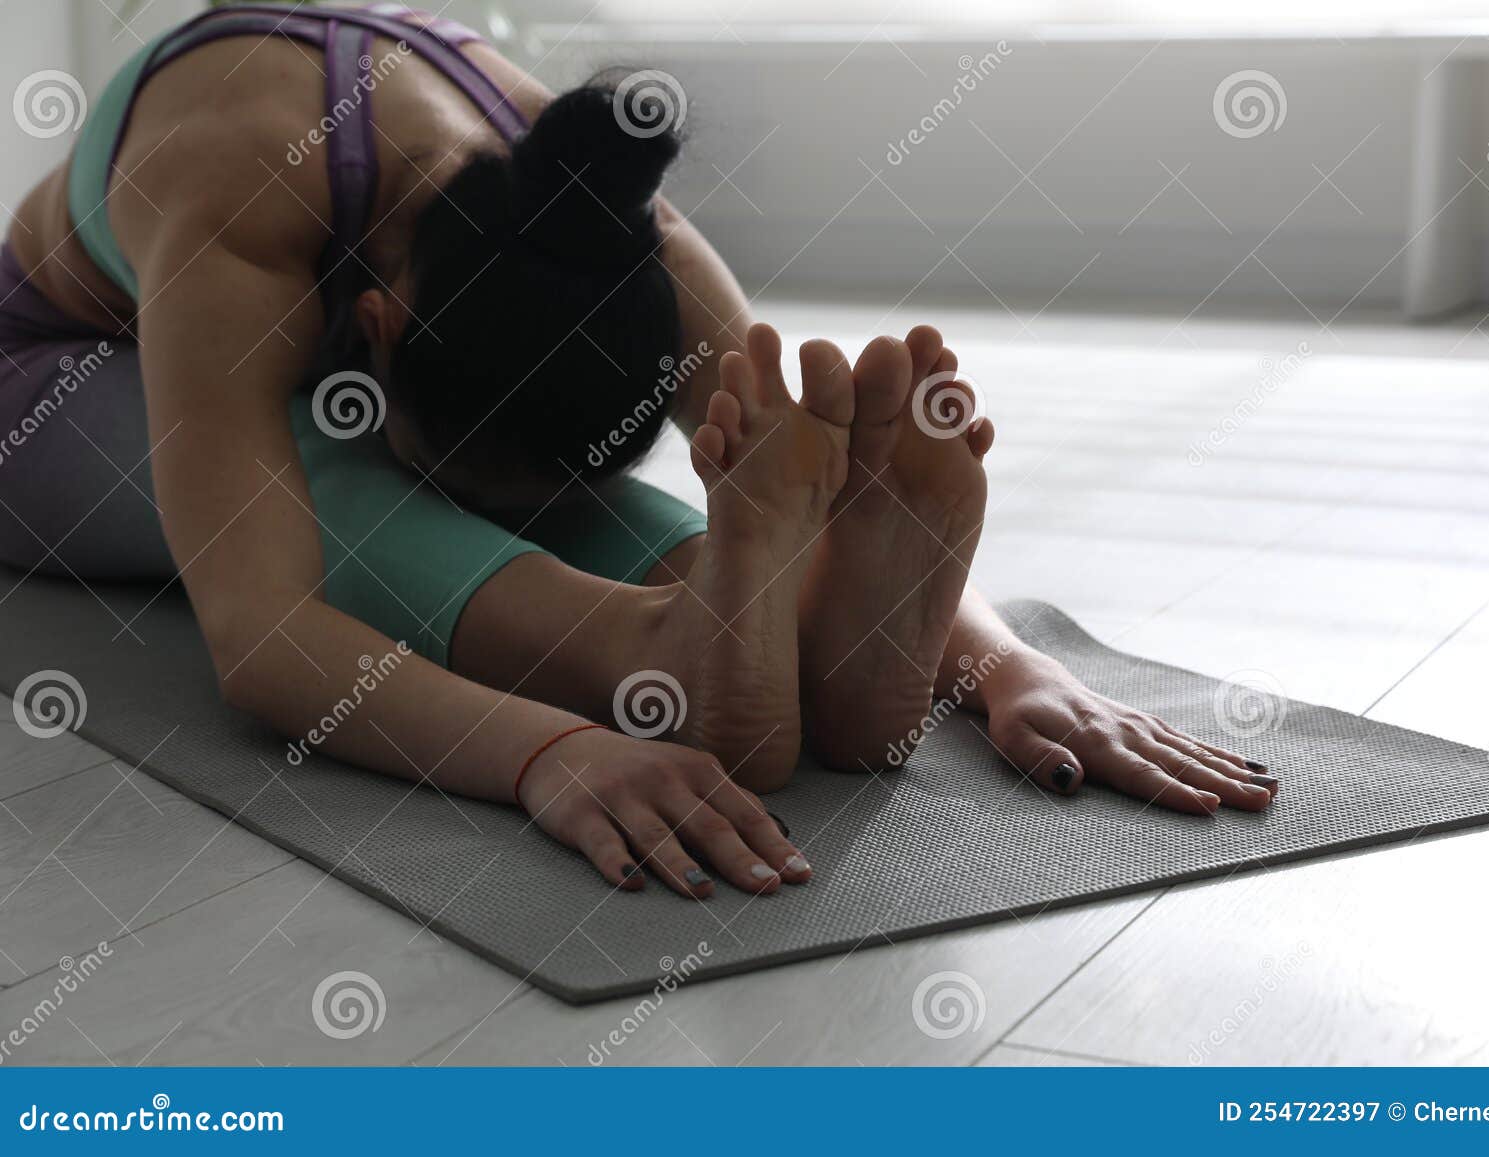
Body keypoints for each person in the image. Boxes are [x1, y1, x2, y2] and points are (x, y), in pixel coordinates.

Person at [0, 3, 1277, 900]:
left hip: (371, 374)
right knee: (322, 463)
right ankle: (648, 649)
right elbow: (262, 630)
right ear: (374, 334)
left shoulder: (602, 223)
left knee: (727, 508)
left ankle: (748, 628)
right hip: (44, 386)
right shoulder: (230, 189)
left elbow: (788, 462)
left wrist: (1001, 664)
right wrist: (548, 750)